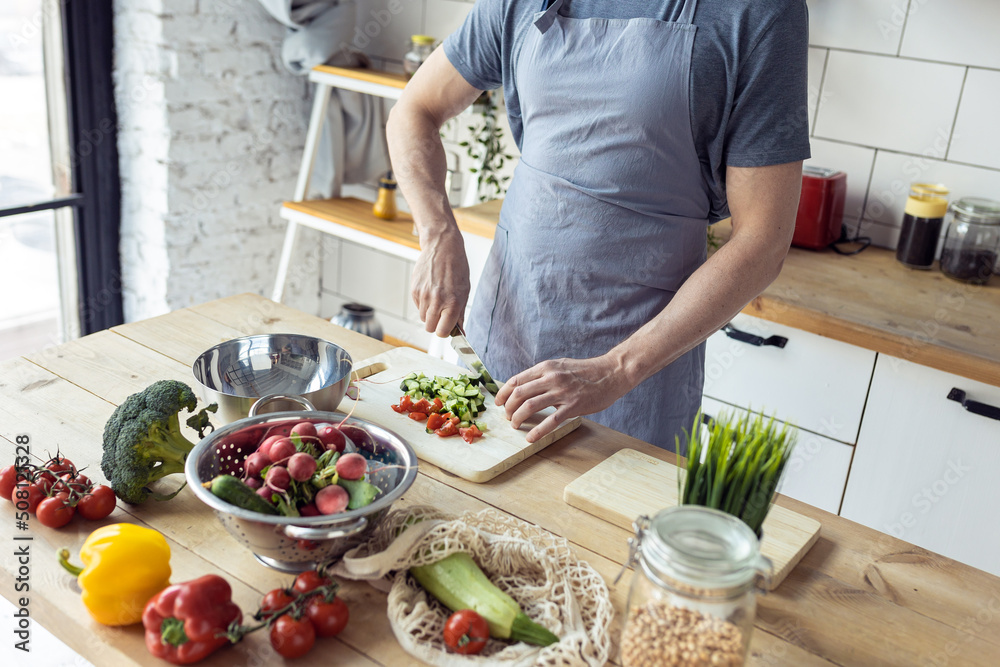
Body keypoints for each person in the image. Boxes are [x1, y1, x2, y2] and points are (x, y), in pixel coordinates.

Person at [386, 0, 810, 450]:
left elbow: (763, 241)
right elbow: (414, 110)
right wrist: (436, 233)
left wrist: (616, 369)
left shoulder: (759, 11)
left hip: (636, 376)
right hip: (503, 340)